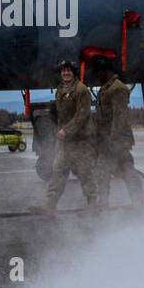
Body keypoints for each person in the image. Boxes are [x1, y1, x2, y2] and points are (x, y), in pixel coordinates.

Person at [32, 60, 98, 215]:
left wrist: (66, 130)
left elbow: (82, 116)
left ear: (73, 72)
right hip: (65, 142)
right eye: (63, 71)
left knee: (85, 173)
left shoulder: (81, 90)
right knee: (58, 172)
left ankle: (93, 205)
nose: (66, 73)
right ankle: (50, 206)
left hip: (80, 141)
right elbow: (61, 116)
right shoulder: (60, 90)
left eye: (68, 70)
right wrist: (59, 131)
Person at [91, 55, 144, 206]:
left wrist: (112, 141)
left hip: (118, 140)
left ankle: (139, 202)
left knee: (127, 172)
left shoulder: (117, 88)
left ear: (105, 71)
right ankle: (103, 204)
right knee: (102, 172)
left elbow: (120, 118)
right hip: (105, 140)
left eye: (98, 73)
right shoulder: (106, 88)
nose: (96, 76)